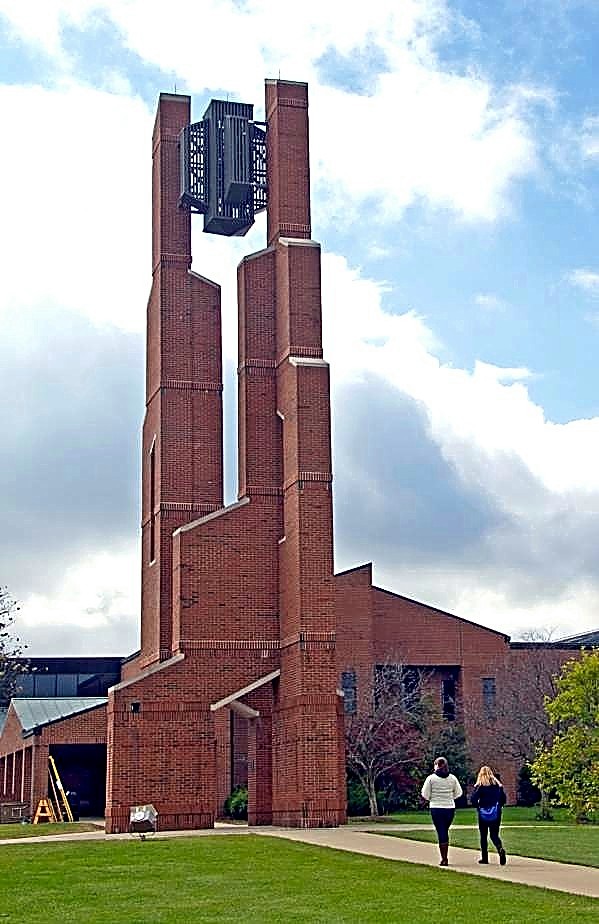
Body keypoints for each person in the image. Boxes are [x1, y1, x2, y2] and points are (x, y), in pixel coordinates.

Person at [421, 756, 463, 866]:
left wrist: (432, 798)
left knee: (441, 831)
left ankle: (444, 859)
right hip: (449, 808)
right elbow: (459, 793)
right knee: (444, 830)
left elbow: (425, 794)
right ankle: (444, 856)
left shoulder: (431, 779)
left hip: (436, 807)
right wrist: (450, 797)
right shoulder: (452, 778)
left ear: (436, 766)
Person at [470, 765, 507, 865]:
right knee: (494, 835)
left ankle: (485, 858)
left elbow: (473, 799)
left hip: (483, 813)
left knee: (483, 836)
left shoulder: (480, 787)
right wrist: (499, 806)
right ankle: (500, 849)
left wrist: (478, 807)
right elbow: (503, 799)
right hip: (496, 812)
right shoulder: (498, 786)